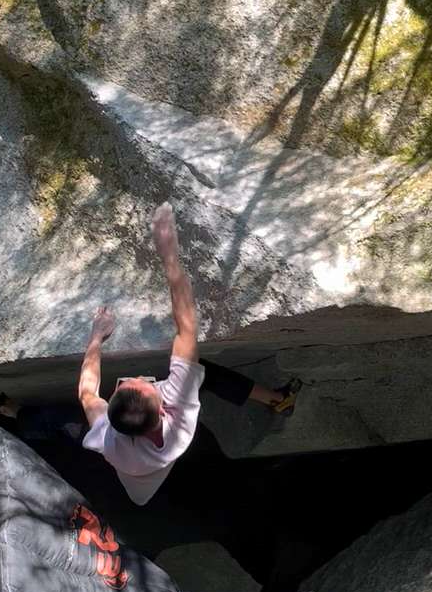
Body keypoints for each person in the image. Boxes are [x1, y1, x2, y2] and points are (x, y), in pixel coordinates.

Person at [78, 203, 301, 507]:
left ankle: (277, 399)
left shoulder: (108, 440)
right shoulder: (181, 412)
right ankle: (277, 399)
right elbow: (186, 328)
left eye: (128, 384)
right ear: (163, 408)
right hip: (149, 476)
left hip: (137, 484)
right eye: (145, 383)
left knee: (199, 372)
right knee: (198, 370)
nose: (141, 378)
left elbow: (87, 393)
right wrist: (169, 256)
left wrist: (96, 336)